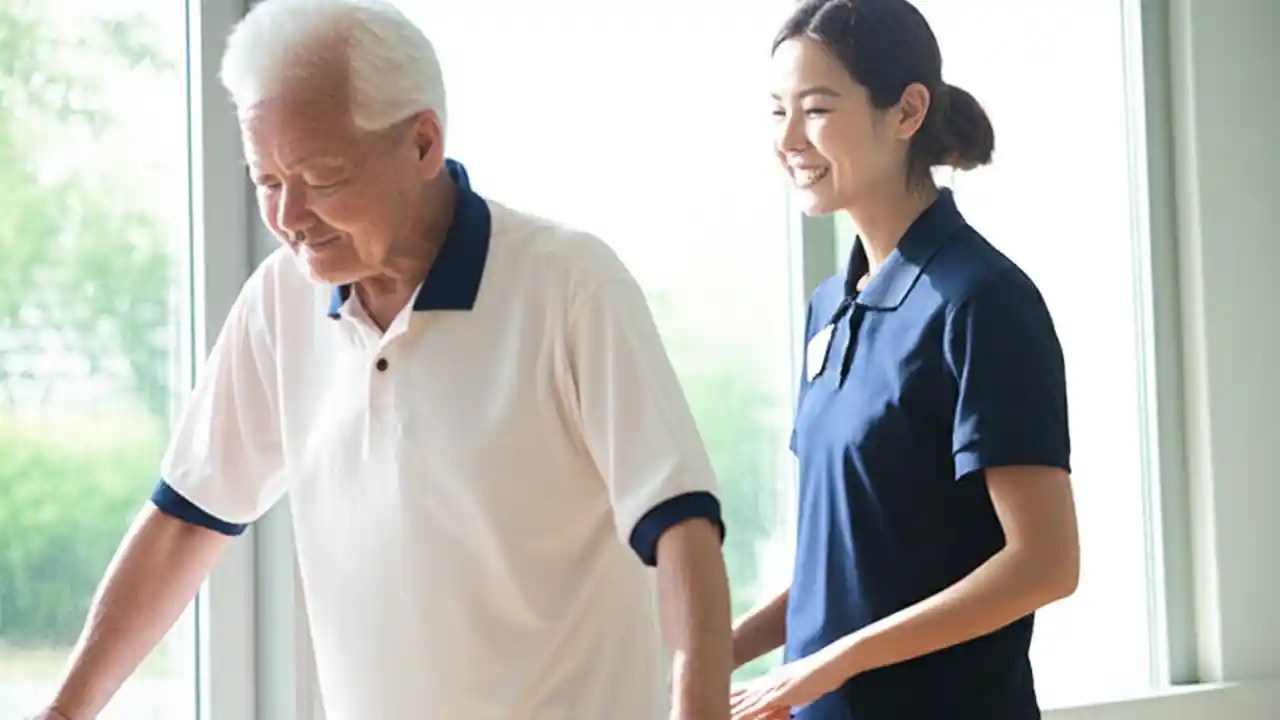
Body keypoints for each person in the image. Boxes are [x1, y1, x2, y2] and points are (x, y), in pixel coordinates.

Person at [33, 1, 733, 718]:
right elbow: (186, 521)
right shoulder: (280, 300)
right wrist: (61, 713)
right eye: (267, 182)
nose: (289, 217)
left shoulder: (570, 285)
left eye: (322, 176)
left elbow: (683, 532)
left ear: (423, 144)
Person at [728, 1, 1080, 718]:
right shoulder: (829, 307)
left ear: (907, 111)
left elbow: (1045, 563)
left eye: (816, 110)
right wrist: (707, 653)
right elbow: (849, 570)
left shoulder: (982, 301)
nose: (789, 139)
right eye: (777, 112)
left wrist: (830, 663)